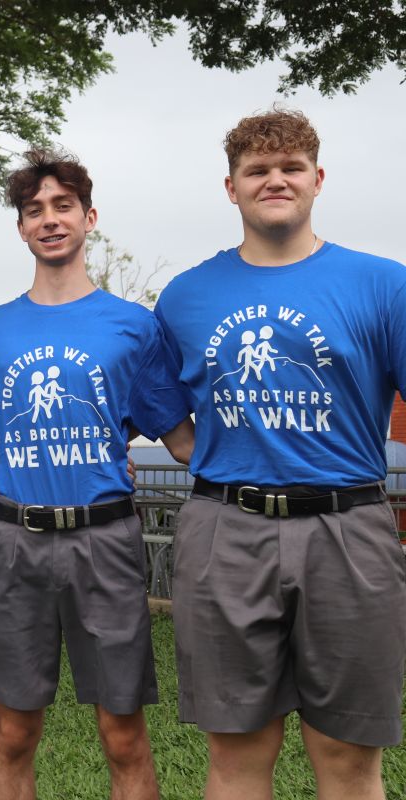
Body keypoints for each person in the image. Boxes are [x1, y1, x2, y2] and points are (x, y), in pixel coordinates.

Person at [154, 109, 406, 800]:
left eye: (291, 167)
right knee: (238, 748)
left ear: (318, 179)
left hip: (347, 526)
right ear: (230, 188)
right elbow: (161, 403)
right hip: (225, 529)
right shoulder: (185, 296)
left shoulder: (383, 285)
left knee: (347, 752)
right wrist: (196, 449)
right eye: (257, 170)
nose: (275, 180)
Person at [0, 148, 193, 800]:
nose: (49, 219)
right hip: (15, 542)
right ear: (20, 228)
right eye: (34, 210)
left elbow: (180, 440)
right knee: (13, 731)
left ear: (88, 216)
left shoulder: (133, 325)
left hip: (105, 541)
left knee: (123, 732)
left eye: (62, 205)